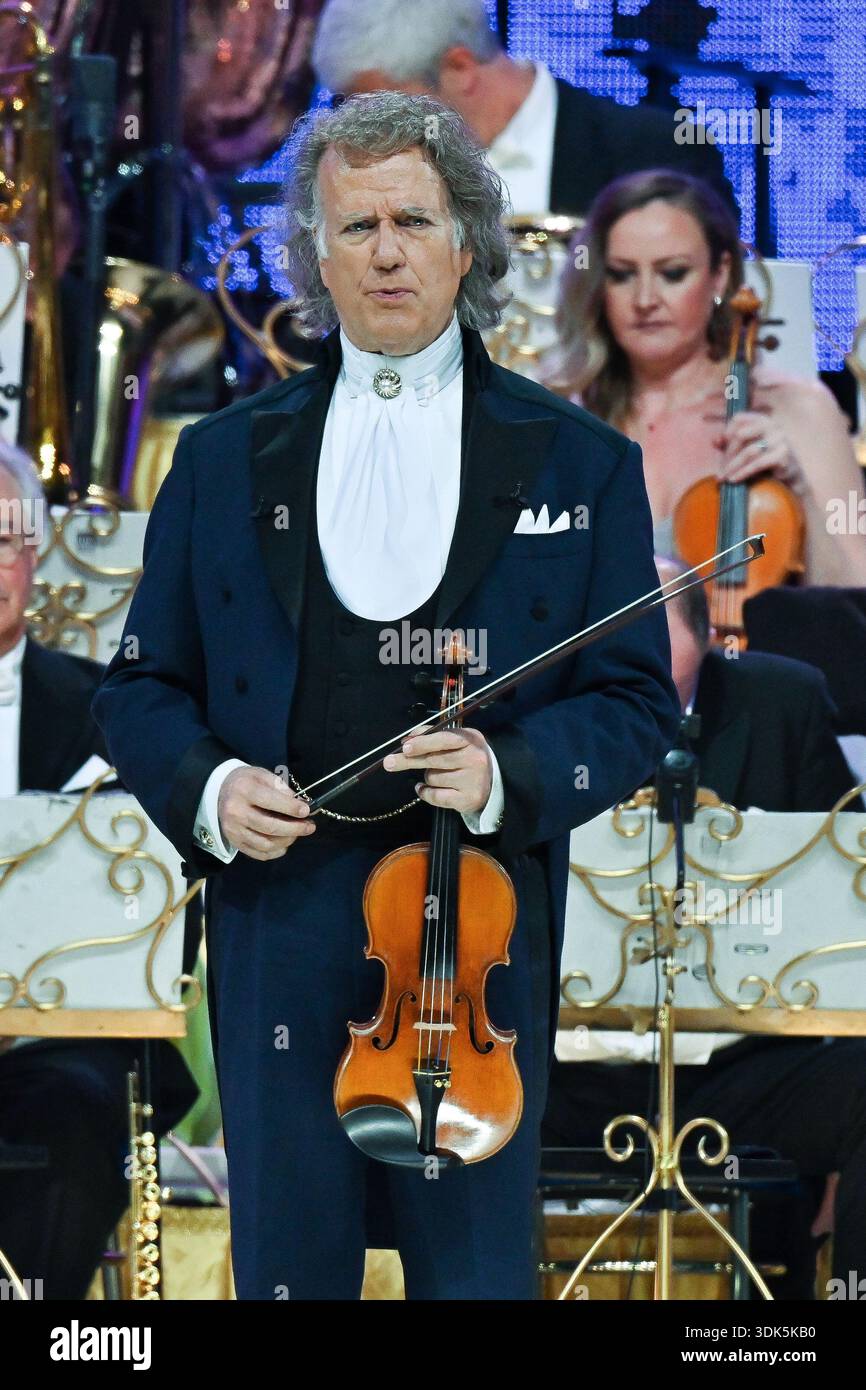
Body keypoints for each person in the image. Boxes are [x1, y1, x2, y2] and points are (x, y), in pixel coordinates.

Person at [91, 91, 679, 1301]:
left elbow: (634, 704)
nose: (387, 253)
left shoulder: (580, 462)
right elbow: (140, 688)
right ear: (313, 254)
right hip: (280, 926)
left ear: (468, 238)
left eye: (413, 219)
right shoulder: (216, 459)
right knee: (288, 1280)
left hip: (476, 938)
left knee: (471, 1282)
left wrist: (511, 771)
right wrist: (206, 787)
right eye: (354, 229)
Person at [543, 556, 866, 1299]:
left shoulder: (782, 703)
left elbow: (844, 903)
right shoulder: (534, 714)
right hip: (567, 1078)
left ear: (708, 644)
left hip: (736, 1077)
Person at [0, 443, 198, 1299]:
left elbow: (156, 900)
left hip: (62, 1039)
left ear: (34, 553)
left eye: (3, 538)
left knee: (82, 1114)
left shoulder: (107, 710)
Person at [548, 169, 866, 587]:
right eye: (622, 274)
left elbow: (853, 605)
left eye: (673, 273)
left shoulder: (796, 408)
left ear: (720, 274)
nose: (645, 300)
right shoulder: (563, 416)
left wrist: (799, 491)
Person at [311, 0, 736, 218]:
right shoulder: (379, 175)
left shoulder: (653, 153)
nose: (372, 132)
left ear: (460, 68)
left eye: (386, 106)